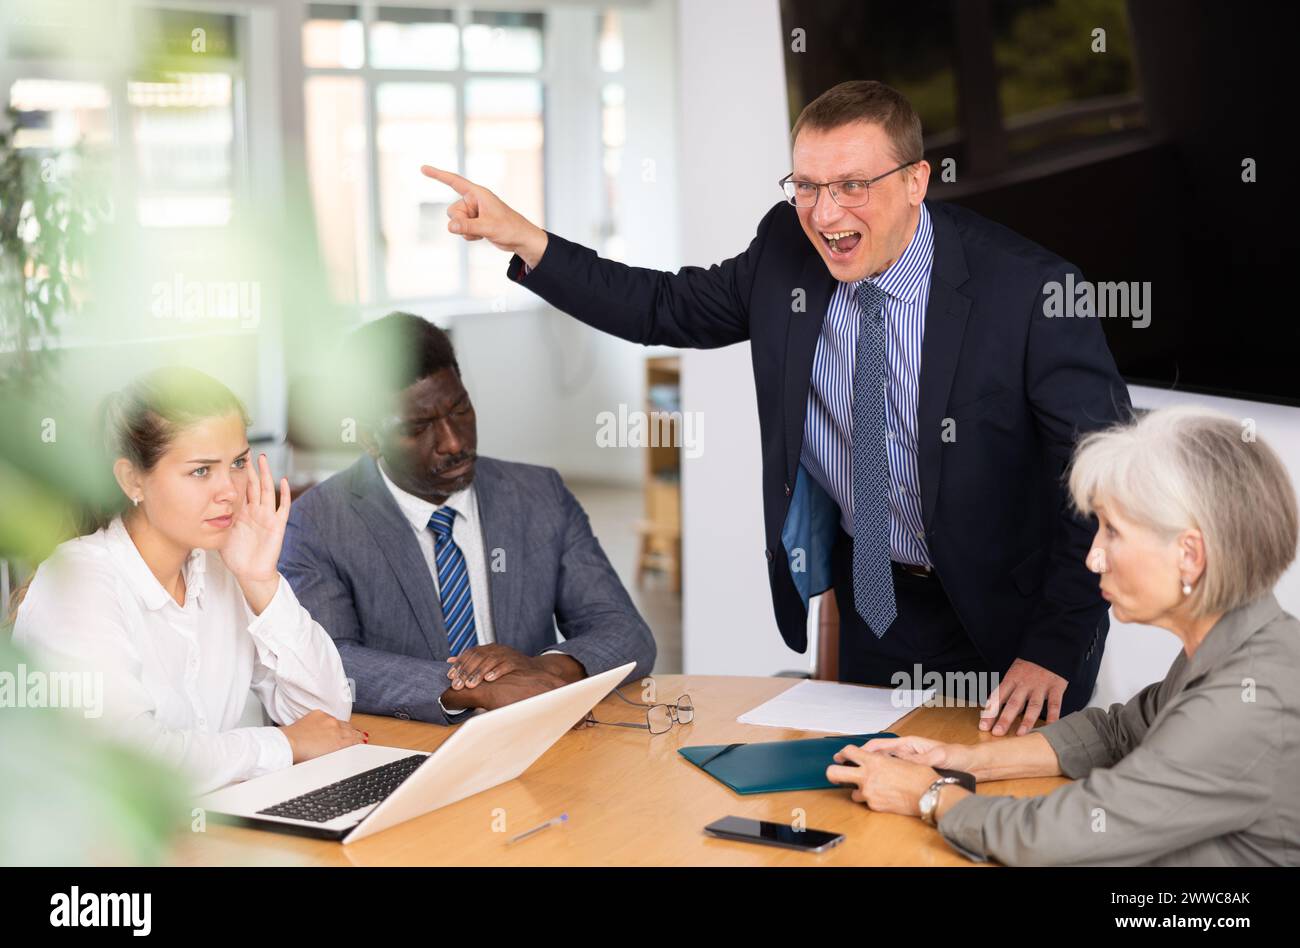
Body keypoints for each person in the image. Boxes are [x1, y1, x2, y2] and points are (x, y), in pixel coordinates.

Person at [421, 79, 1131, 733]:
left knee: (1002, 814)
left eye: (853, 185)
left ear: (917, 181)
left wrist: (1056, 646)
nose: (825, 214)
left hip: (1012, 617)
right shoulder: (785, 251)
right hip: (878, 600)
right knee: (868, 801)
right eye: (808, 186)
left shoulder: (1030, 293)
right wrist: (523, 238)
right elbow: (662, 306)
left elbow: (1104, 485)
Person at [826, 406, 1300, 865]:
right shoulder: (1236, 648)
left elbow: (1065, 833)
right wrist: (958, 759)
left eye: (1112, 532)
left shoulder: (1247, 701)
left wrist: (929, 796)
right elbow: (1117, 733)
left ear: (1190, 555)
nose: (1093, 558)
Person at [278, 312, 656, 725]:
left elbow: (624, 630)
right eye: (418, 427)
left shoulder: (538, 494)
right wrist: (474, 688)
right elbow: (332, 664)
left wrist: (547, 669)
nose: (454, 442)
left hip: (539, 742)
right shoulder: (317, 523)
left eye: (459, 410)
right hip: (410, 752)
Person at [12, 368, 361, 795]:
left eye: (237, 464)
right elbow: (133, 765)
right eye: (201, 471)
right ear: (131, 480)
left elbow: (327, 716)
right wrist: (282, 744)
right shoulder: (79, 583)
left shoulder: (223, 568)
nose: (230, 491)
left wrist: (262, 582)